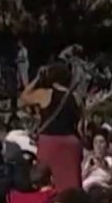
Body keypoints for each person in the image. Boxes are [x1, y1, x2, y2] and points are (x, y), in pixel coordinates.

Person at [21, 62, 83, 191]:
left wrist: (38, 78)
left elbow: (24, 96)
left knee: (46, 181)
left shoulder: (45, 94)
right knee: (71, 182)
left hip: (50, 141)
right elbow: (80, 125)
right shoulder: (76, 97)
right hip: (71, 142)